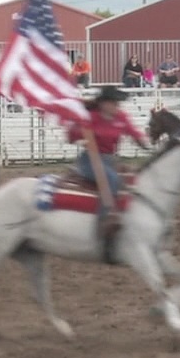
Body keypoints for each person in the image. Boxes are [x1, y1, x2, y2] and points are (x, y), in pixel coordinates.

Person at [65, 85, 152, 265]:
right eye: (113, 102)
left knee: (132, 182)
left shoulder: (121, 117)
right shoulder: (91, 118)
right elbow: (71, 136)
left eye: (117, 103)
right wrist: (77, 127)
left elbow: (134, 132)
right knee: (111, 181)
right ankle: (104, 225)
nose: (116, 106)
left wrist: (144, 142)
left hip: (110, 160)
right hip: (91, 159)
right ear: (103, 104)